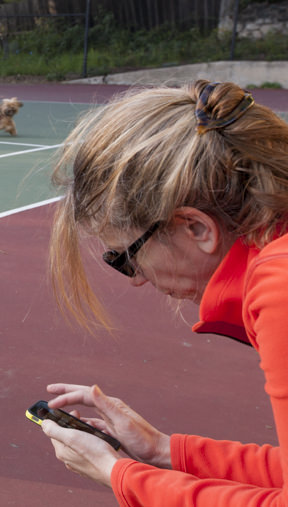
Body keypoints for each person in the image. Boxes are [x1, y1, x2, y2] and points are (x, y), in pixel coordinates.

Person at [40, 79, 288, 504]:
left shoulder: (279, 287)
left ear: (197, 228)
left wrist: (120, 476)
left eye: (126, 256)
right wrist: (162, 450)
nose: (136, 278)